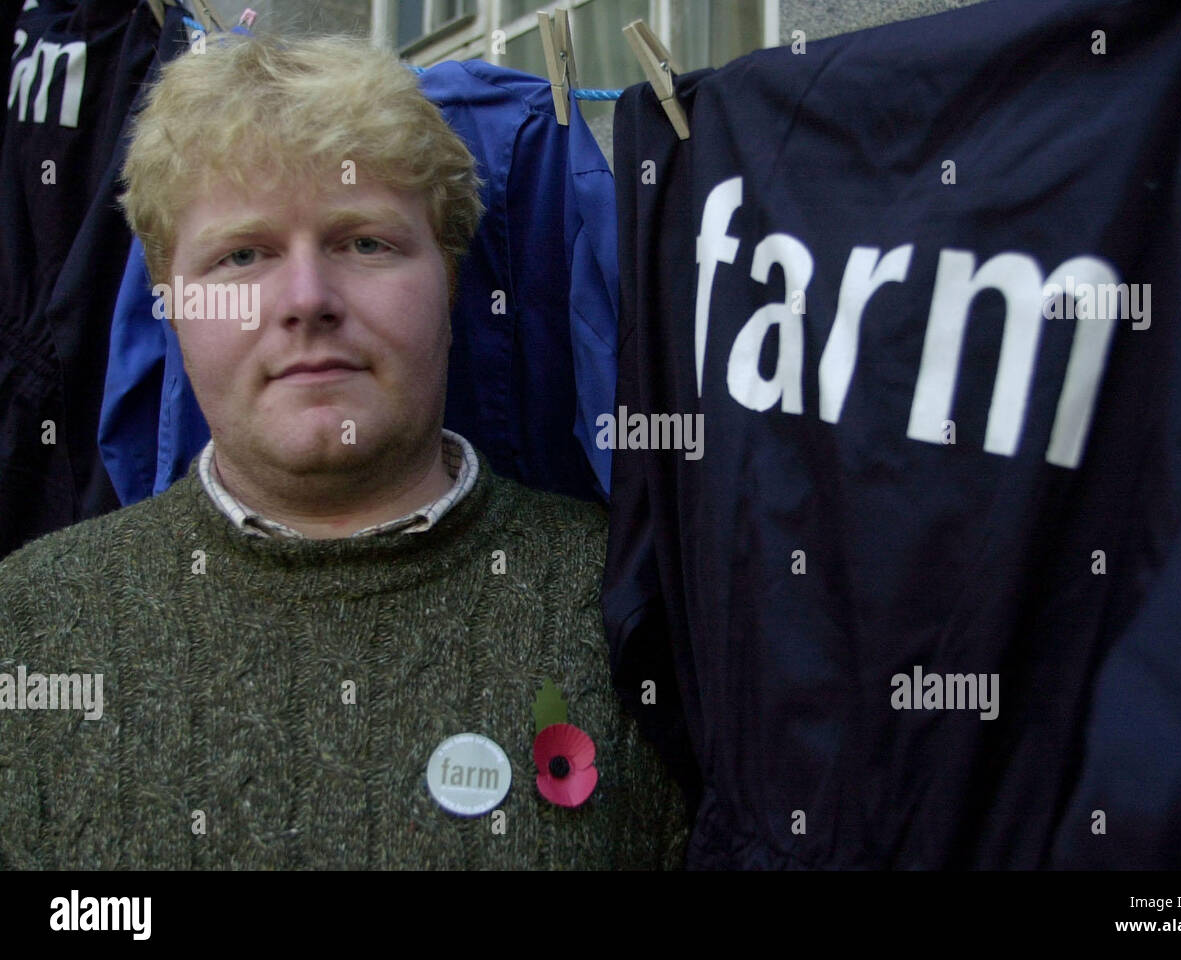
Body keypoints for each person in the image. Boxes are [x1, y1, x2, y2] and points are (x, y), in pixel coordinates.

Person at [0, 33, 687, 870]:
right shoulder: (29, 626)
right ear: (168, 304)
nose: (307, 302)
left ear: (451, 277)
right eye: (242, 255)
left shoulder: (638, 610)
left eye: (364, 243)